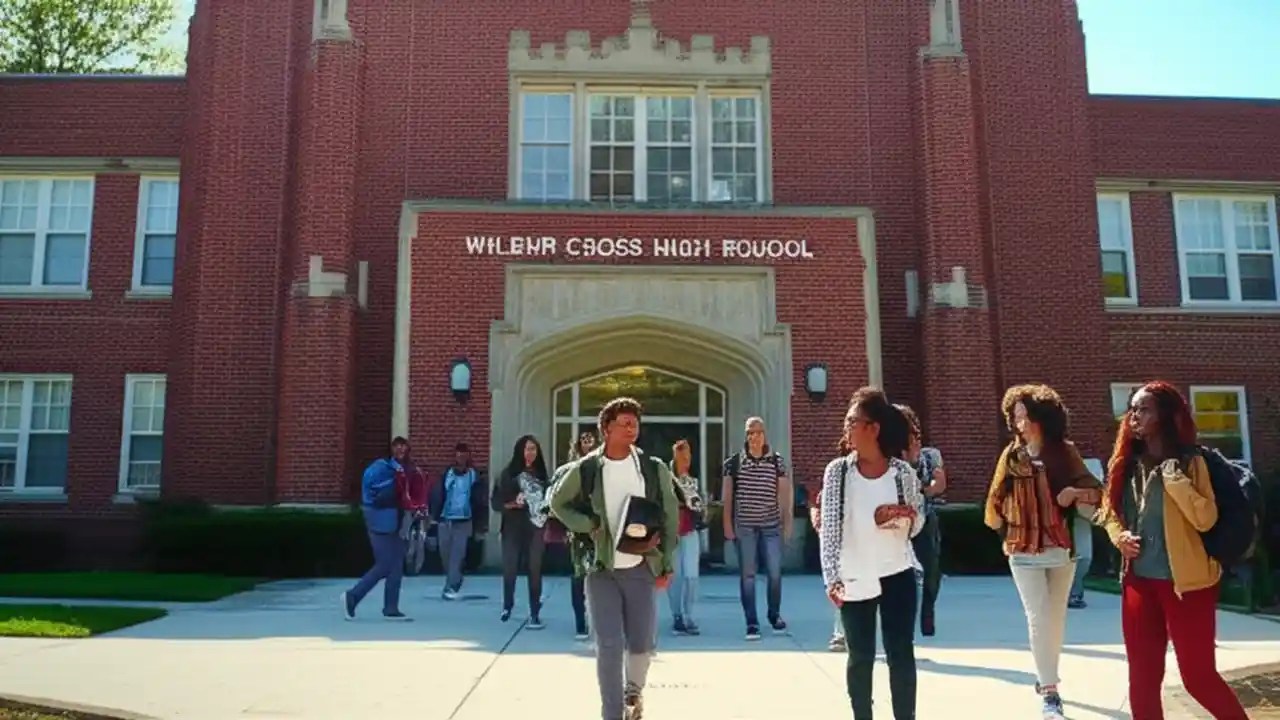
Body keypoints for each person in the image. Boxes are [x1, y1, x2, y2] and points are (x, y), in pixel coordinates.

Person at [1097, 381, 1248, 719]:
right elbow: (1108, 512)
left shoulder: (1192, 463)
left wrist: (1174, 479)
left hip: (1187, 584)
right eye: (1132, 408)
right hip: (1139, 582)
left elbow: (1205, 518)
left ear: (1164, 416)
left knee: (1198, 677)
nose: (1134, 416)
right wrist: (1119, 536)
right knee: (1143, 677)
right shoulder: (1126, 463)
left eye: (1143, 409)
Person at [547, 397, 680, 720]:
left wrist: (666, 562)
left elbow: (670, 514)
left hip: (641, 566)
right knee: (608, 645)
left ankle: (633, 693)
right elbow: (557, 503)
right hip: (601, 567)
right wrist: (587, 524)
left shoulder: (652, 468)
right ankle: (612, 713)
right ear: (607, 428)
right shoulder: (588, 467)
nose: (632, 428)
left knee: (642, 644)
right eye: (624, 423)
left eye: (635, 423)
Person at [984, 384, 1102, 720]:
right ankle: (1051, 692)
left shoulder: (1065, 452)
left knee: (1055, 618)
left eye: (1024, 416)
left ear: (1041, 417)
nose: (1018, 423)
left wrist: (1073, 493)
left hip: (1060, 546)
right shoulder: (1010, 456)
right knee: (1038, 618)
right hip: (1022, 549)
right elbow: (992, 504)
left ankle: (1045, 676)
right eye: (1015, 417)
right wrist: (1007, 521)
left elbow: (1097, 491)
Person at [819, 387, 924, 720]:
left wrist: (905, 516)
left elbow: (916, 524)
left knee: (901, 656)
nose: (846, 428)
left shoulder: (902, 474)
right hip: (855, 575)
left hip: (897, 573)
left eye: (853, 421)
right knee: (860, 657)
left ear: (873, 428)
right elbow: (830, 530)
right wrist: (831, 577)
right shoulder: (838, 472)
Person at [721, 416, 794, 640]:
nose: (754, 436)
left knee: (774, 573)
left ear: (764, 435)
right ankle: (751, 622)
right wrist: (727, 524)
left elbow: (784, 493)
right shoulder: (733, 463)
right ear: (746, 436)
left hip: (771, 525)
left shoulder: (776, 461)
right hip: (745, 527)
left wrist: (787, 522)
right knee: (748, 575)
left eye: (758, 432)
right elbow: (727, 497)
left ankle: (774, 614)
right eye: (750, 433)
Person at [340, 436, 416, 622]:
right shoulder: (380, 468)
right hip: (379, 522)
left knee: (396, 564)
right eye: (397, 446)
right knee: (385, 564)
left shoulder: (408, 469)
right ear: (390, 449)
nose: (400, 450)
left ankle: (391, 608)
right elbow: (376, 495)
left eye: (404, 447)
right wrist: (396, 489)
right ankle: (353, 596)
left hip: (398, 522)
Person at [896, 404, 947, 637]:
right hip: (897, 521)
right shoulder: (890, 457)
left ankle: (928, 613)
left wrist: (922, 489)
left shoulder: (930, 455)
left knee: (931, 571)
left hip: (924, 519)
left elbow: (940, 484)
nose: (915, 438)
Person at [491, 434, 550, 627]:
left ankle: (534, 611)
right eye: (527, 448)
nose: (531, 453)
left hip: (535, 528)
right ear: (520, 451)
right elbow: (496, 503)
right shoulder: (508, 474)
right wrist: (512, 504)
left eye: (534, 449)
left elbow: (548, 500)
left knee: (535, 569)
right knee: (510, 568)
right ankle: (507, 606)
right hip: (512, 528)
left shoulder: (541, 475)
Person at [545, 430, 597, 639]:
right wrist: (565, 526)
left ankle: (598, 620)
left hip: (600, 528)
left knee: (601, 577)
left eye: (591, 440)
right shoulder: (566, 471)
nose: (587, 443)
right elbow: (553, 502)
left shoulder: (604, 469)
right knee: (578, 575)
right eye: (583, 440)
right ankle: (580, 622)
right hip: (577, 530)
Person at [430, 442, 489, 600]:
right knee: (445, 554)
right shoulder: (447, 474)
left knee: (457, 555)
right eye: (458, 455)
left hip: (464, 520)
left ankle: (451, 586)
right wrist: (433, 516)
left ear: (468, 457)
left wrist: (480, 525)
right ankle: (454, 578)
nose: (461, 458)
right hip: (445, 519)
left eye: (464, 455)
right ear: (455, 457)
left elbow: (480, 501)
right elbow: (437, 494)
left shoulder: (473, 476)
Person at [667, 438, 706, 636]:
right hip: (672, 533)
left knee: (692, 575)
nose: (686, 460)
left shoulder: (692, 480)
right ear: (675, 457)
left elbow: (698, 506)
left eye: (689, 456)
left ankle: (689, 615)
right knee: (675, 576)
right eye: (683, 456)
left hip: (690, 531)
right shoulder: (666, 479)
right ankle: (677, 616)